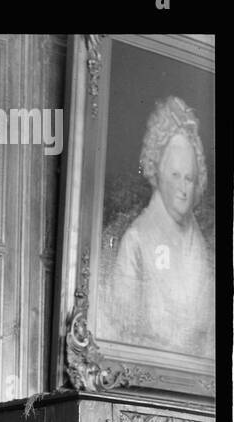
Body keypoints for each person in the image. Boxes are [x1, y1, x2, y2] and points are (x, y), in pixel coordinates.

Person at [101, 95, 214, 357]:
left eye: (190, 178)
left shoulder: (200, 247)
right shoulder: (136, 239)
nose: (183, 188)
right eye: (176, 175)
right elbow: (121, 327)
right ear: (158, 172)